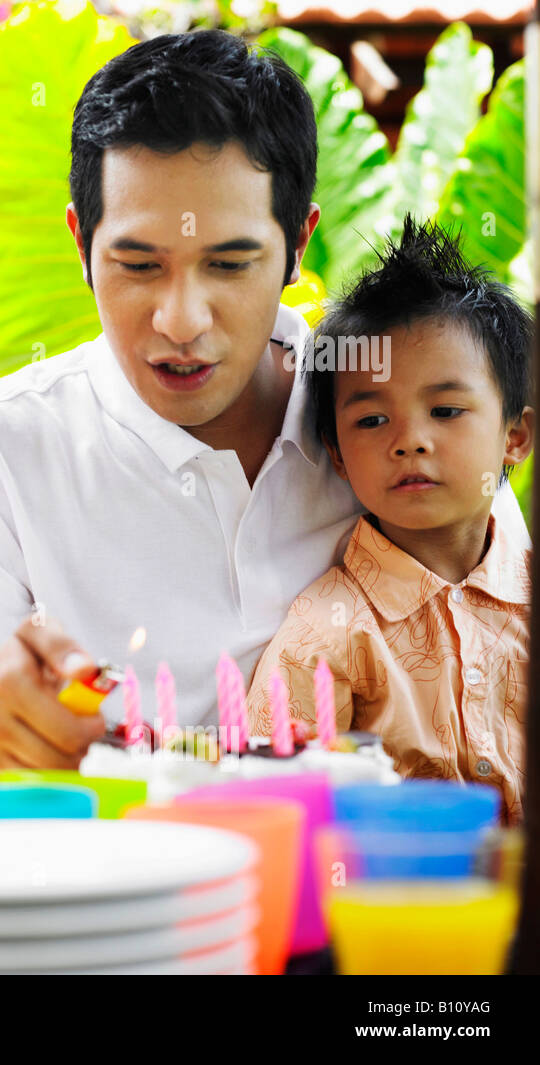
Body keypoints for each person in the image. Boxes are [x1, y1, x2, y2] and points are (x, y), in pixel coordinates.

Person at [0, 29, 529, 817]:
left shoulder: (401, 398)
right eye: (137, 263)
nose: (182, 320)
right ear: (80, 244)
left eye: (230, 264)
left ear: (298, 243)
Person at [248, 218, 533, 824]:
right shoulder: (325, 636)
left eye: (446, 409)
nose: (410, 441)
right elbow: (275, 808)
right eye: (372, 421)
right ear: (338, 454)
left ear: (515, 435)